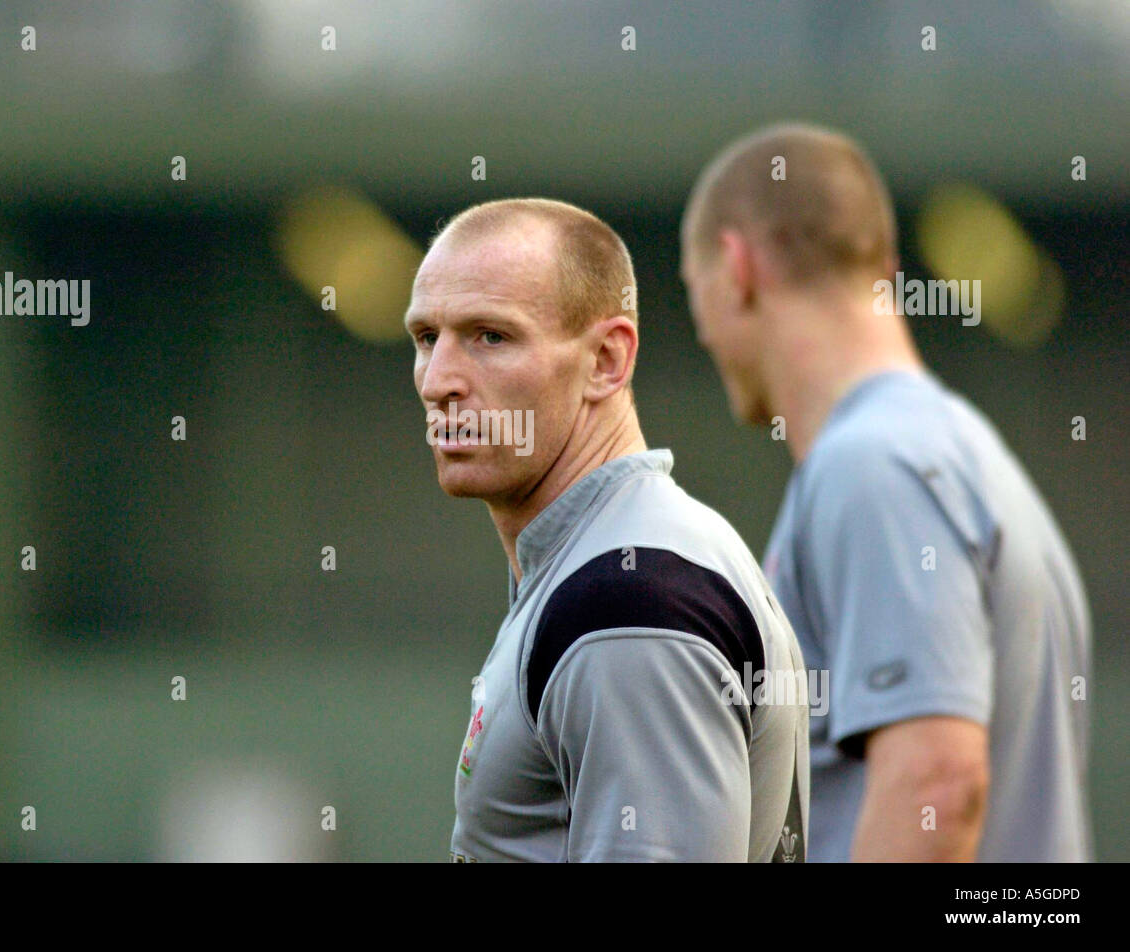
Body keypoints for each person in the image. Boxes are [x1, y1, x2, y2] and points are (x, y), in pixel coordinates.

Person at [679, 123, 1093, 861]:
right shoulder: (964, 451)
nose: (704, 329)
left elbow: (937, 782)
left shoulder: (872, 465)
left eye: (693, 287)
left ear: (736, 268)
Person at [406, 197, 809, 862]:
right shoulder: (613, 561)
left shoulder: (629, 600)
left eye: (491, 336)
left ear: (606, 361)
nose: (440, 381)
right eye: (427, 338)